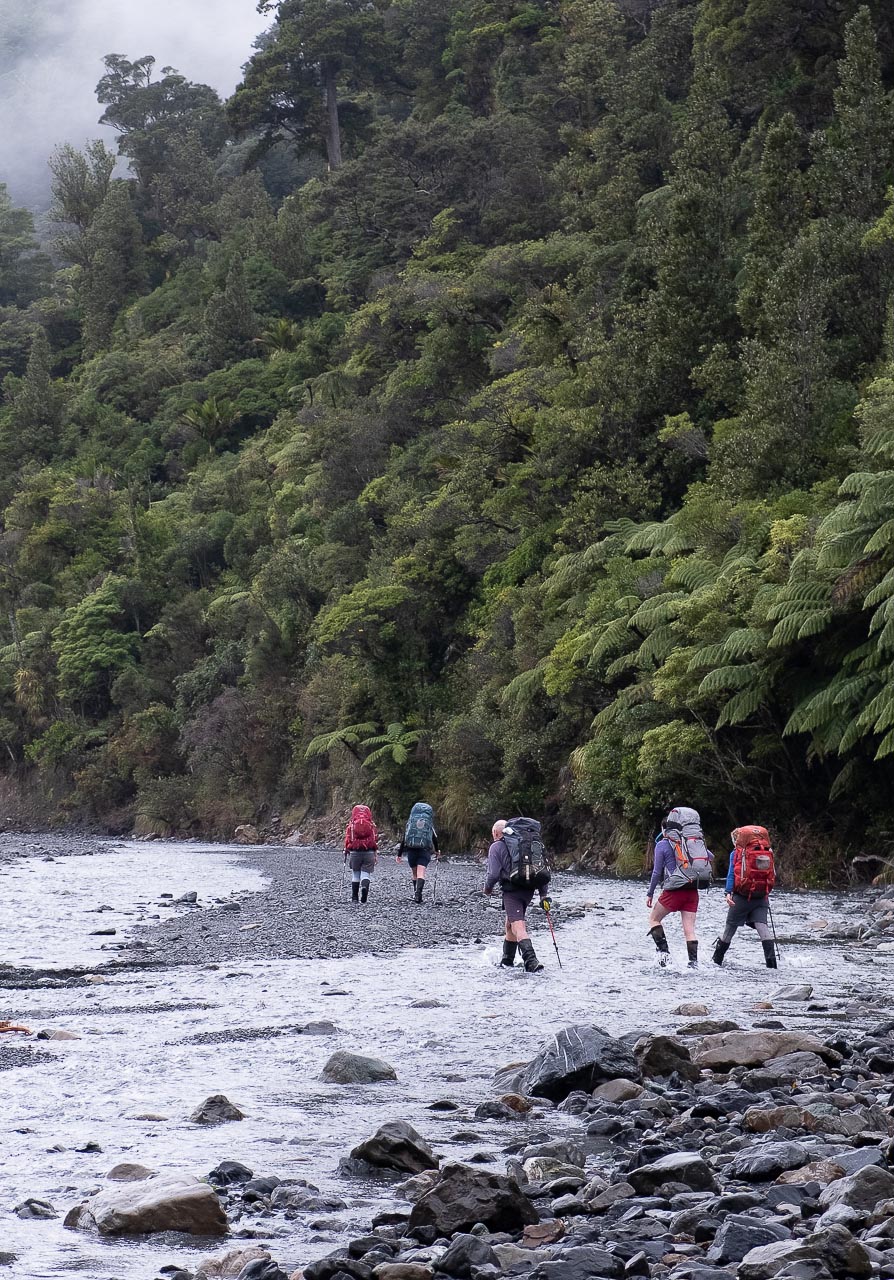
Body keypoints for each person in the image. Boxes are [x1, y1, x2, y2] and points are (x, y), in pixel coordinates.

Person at [646, 805, 714, 968]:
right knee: (689, 930)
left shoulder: (662, 845)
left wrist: (650, 893)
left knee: (654, 919)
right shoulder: (690, 842)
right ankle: (693, 964)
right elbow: (709, 856)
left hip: (674, 891)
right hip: (692, 891)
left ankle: (664, 957)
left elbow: (656, 873)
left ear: (665, 829)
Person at [484, 817, 552, 973]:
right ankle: (507, 961)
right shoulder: (526, 847)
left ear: (495, 832)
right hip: (528, 890)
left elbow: (493, 874)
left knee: (518, 926)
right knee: (510, 924)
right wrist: (543, 895)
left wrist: (487, 889)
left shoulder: (496, 847)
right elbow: (540, 870)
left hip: (512, 892)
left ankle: (531, 961)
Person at [713, 825, 778, 968]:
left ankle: (715, 963)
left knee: (729, 931)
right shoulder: (766, 851)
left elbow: (731, 874)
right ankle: (772, 966)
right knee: (763, 929)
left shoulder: (736, 853)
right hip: (761, 896)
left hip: (741, 897)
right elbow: (773, 874)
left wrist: (728, 893)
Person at [397, 801, 439, 902]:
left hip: (412, 851)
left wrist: (399, 854)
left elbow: (404, 839)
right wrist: (437, 851)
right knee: (421, 873)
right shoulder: (428, 824)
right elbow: (434, 838)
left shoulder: (410, 823)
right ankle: (418, 895)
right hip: (424, 851)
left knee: (415, 874)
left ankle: (415, 892)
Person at [344, 804, 378, 903]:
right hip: (369, 852)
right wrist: (375, 854)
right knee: (365, 873)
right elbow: (375, 840)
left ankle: (354, 898)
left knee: (355, 874)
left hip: (355, 852)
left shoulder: (351, 825)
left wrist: (346, 850)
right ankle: (364, 886)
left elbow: (347, 840)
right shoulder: (372, 825)